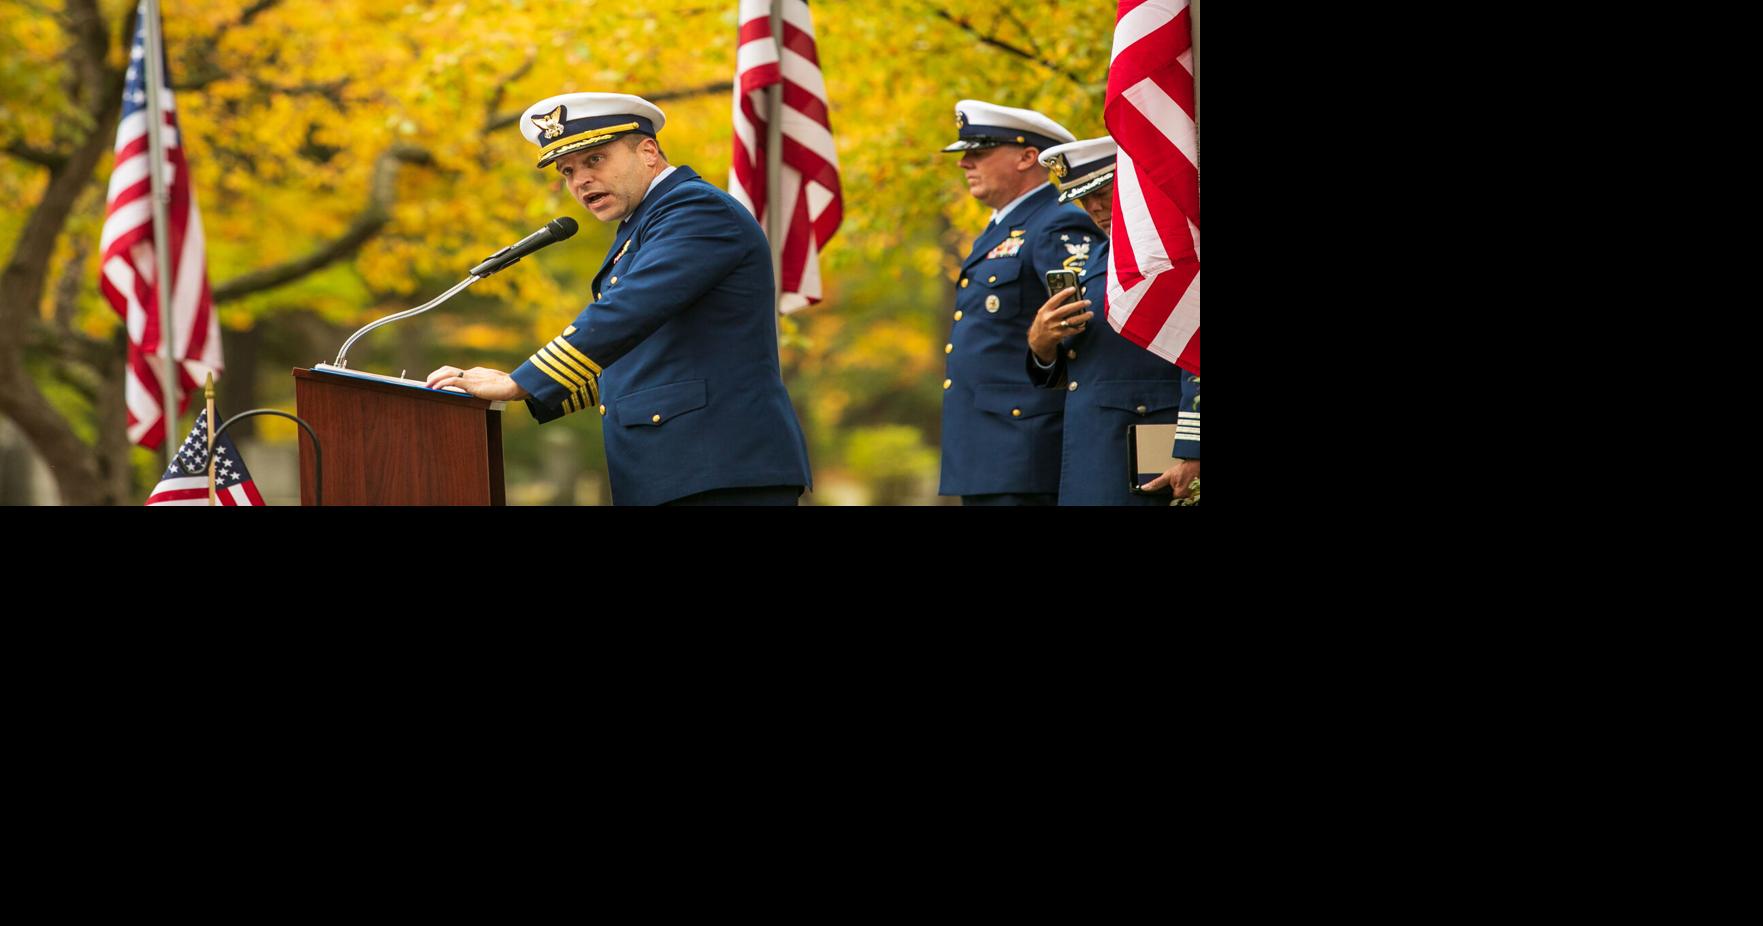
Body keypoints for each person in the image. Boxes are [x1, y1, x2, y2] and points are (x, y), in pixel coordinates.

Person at [427, 92, 811, 506]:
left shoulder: (696, 210)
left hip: (719, 470)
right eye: (568, 171)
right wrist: (527, 387)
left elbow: (627, 311)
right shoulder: (648, 223)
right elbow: (644, 349)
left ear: (648, 152)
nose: (580, 181)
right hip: (682, 472)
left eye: (595, 160)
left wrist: (522, 381)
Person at [937, 100, 1100, 506]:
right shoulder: (1004, 228)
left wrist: (1046, 350)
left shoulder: (1056, 222)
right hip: (990, 451)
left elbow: (1088, 324)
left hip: (1026, 450)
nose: (965, 164)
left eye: (979, 152)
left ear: (1028, 157)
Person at [1026, 136, 1200, 505]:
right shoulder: (1099, 257)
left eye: (1103, 191)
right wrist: (1043, 346)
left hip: (1157, 454)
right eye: (1082, 198)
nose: (1093, 207)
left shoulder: (1174, 247)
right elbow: (1088, 361)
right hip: (1095, 454)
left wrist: (1194, 447)